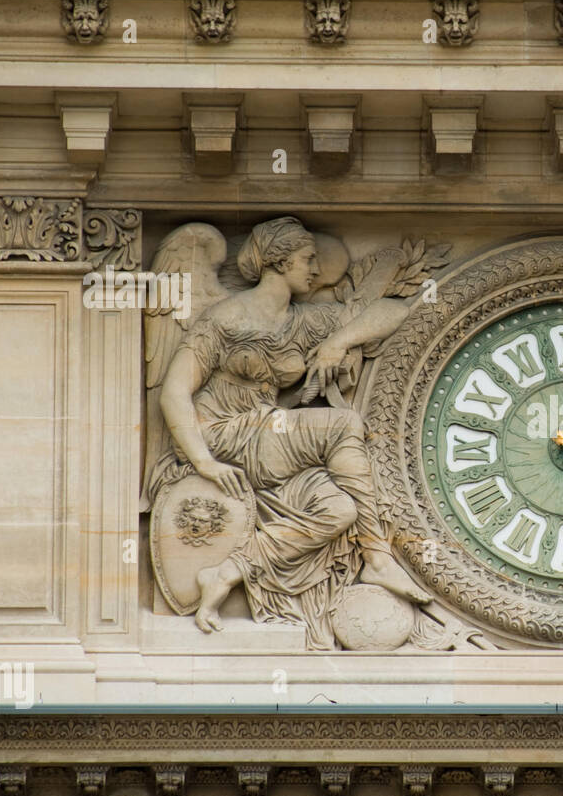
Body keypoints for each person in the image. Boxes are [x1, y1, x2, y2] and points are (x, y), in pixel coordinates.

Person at [158, 216, 430, 642]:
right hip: (224, 432)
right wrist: (204, 462)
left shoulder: (306, 322)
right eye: (307, 259)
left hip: (271, 438)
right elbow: (174, 392)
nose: (316, 270)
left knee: (340, 510)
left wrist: (340, 341)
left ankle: (227, 571)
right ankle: (377, 557)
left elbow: (394, 310)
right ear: (278, 262)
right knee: (343, 423)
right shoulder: (226, 319)